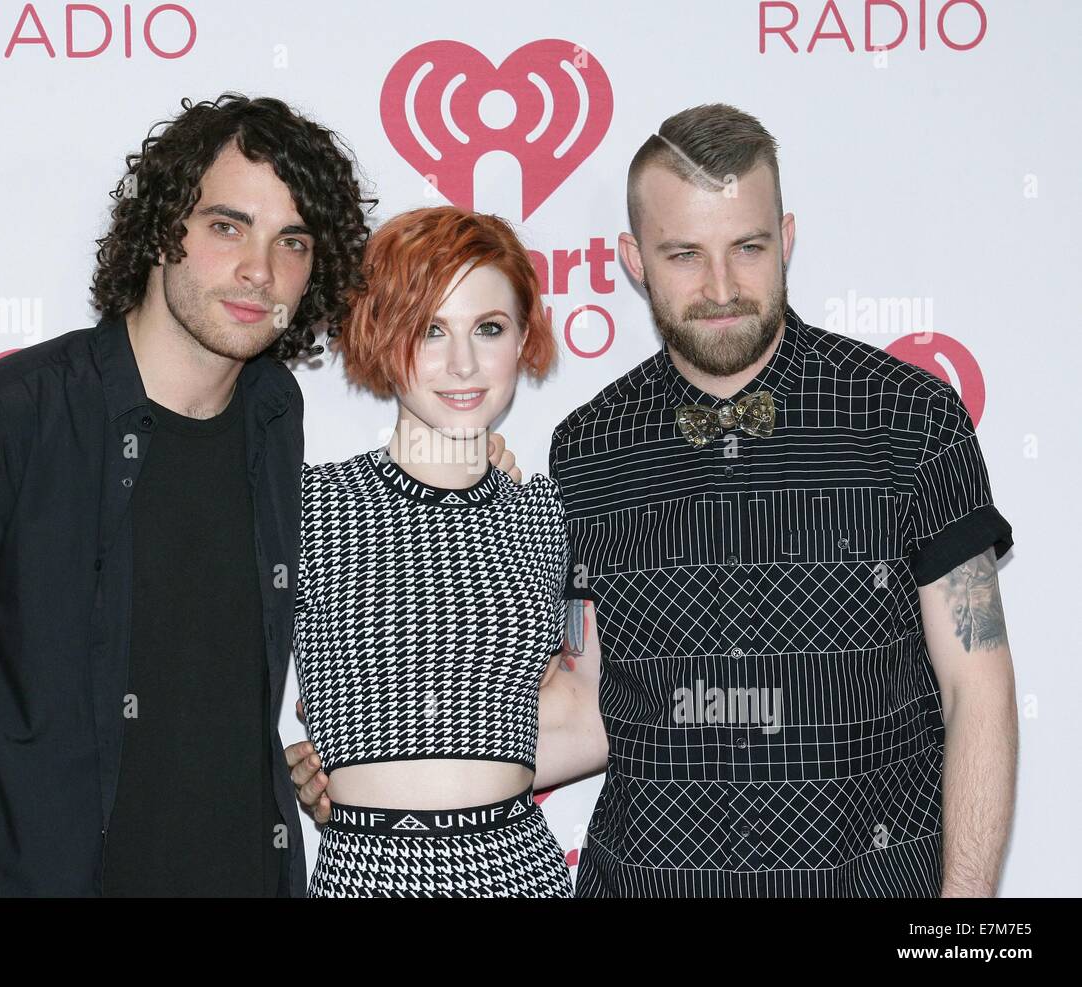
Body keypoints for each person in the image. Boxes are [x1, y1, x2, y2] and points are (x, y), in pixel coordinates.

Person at [293, 103, 1018, 898]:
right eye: (684, 254)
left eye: (749, 247)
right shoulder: (585, 451)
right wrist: (371, 768)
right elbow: (587, 702)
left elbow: (976, 688)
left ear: (789, 238)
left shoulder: (910, 418)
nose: (720, 286)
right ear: (634, 260)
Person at [0, 92, 381, 896]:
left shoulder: (276, 413)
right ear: (163, 226)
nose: (259, 271)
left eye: (292, 241)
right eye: (226, 225)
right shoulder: (9, 415)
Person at [288, 206, 604, 897]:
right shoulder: (308, 508)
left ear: (523, 336)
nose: (463, 362)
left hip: (517, 867)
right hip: (362, 870)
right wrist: (293, 767)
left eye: (488, 328)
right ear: (380, 334)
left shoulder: (545, 513)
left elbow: (585, 709)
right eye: (430, 330)